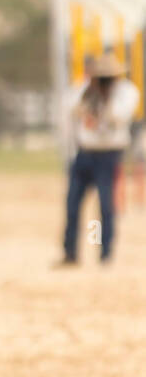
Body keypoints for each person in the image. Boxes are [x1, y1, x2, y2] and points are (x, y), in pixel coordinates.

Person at [57, 53, 139, 266]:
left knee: (105, 206)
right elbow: (71, 108)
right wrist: (89, 92)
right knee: (72, 203)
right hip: (85, 153)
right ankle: (70, 252)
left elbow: (120, 115)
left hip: (109, 155)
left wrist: (106, 96)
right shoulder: (83, 90)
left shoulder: (126, 92)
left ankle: (105, 254)